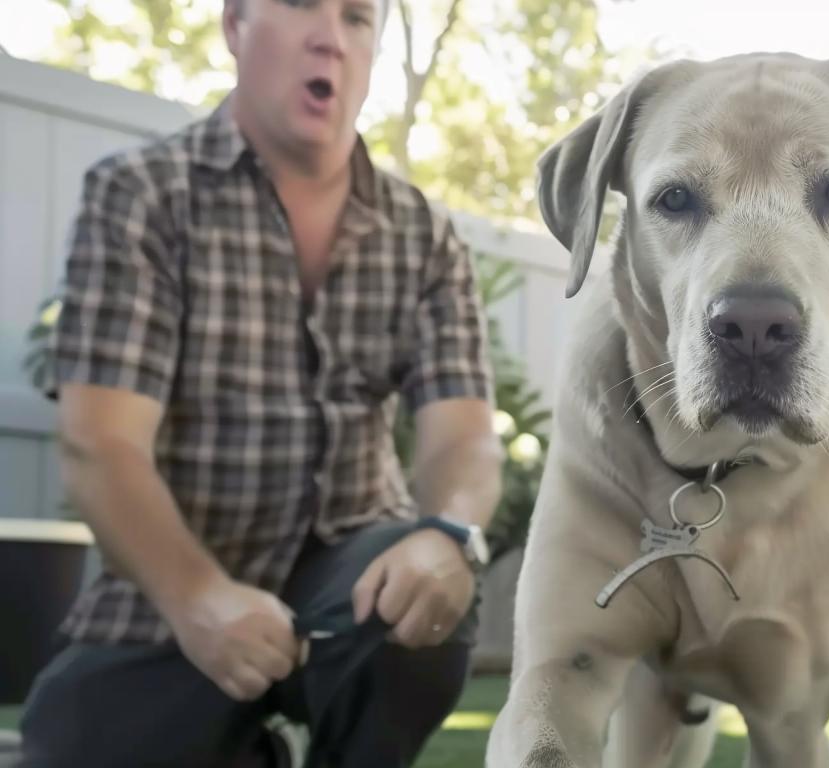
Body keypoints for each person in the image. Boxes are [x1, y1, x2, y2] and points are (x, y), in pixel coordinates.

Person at [17, 0, 504, 765]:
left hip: (350, 581)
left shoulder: (424, 234)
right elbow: (100, 444)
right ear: (234, 28)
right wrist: (198, 601)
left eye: (355, 18)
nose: (330, 39)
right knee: (75, 747)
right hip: (170, 594)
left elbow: (465, 437)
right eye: (302, 5)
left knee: (410, 611)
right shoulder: (141, 196)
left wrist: (447, 536)